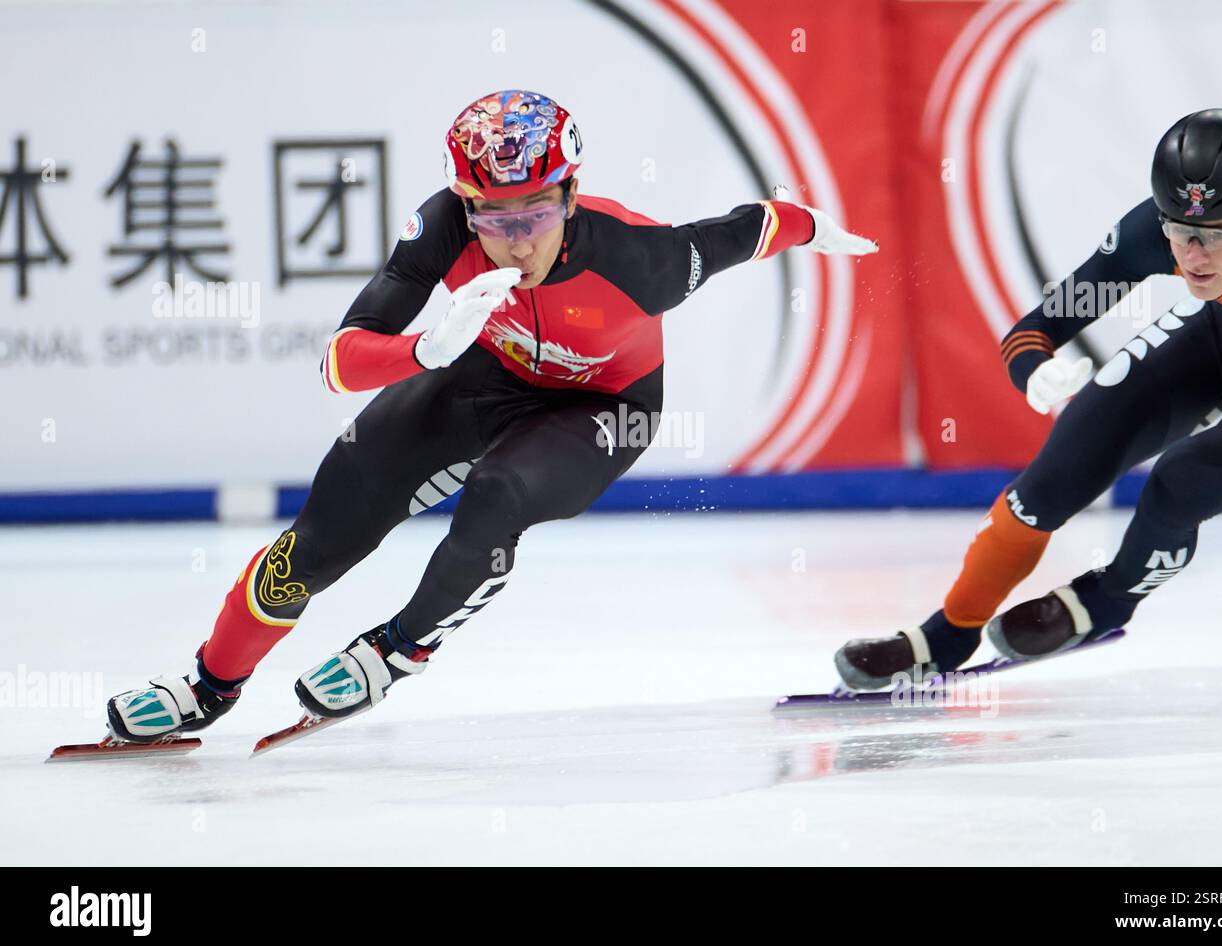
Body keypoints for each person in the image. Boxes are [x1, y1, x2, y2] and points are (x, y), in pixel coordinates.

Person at [107, 89, 876, 740]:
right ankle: (210, 684)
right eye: (492, 216)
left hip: (606, 405)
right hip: (481, 371)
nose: (515, 240)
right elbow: (339, 361)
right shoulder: (442, 225)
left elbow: (751, 229)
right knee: (317, 537)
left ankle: (402, 647)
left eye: (535, 212)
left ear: (570, 196)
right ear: (464, 204)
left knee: (498, 496)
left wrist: (811, 224)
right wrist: (425, 352)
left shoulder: (644, 261)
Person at [836, 107, 1222, 688]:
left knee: (1184, 479)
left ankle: (1104, 603)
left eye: (1211, 238)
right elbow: (1038, 327)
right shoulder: (1158, 235)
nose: (1194, 258)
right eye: (1179, 234)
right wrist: (1033, 372)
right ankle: (946, 635)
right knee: (1057, 472)